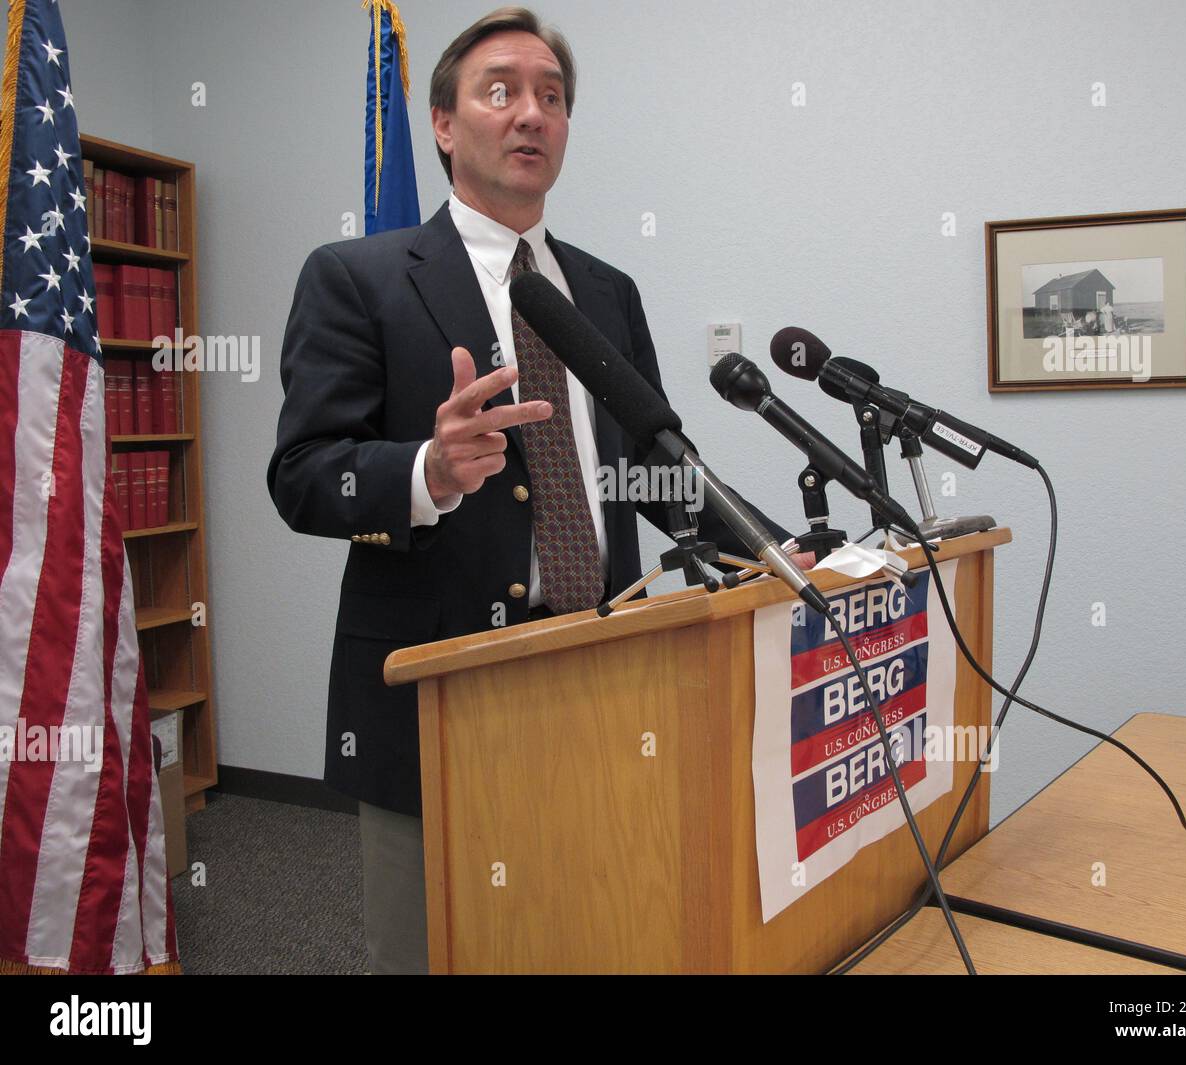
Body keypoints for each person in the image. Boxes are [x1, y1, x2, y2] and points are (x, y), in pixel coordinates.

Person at [266, 6, 799, 974]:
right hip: (438, 688)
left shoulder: (604, 289)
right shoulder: (357, 277)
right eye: (501, 90)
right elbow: (303, 477)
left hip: (606, 668)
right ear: (442, 123)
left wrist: (766, 551)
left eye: (551, 98)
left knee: (593, 925)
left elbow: (654, 467)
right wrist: (424, 471)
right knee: (438, 946)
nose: (531, 115)